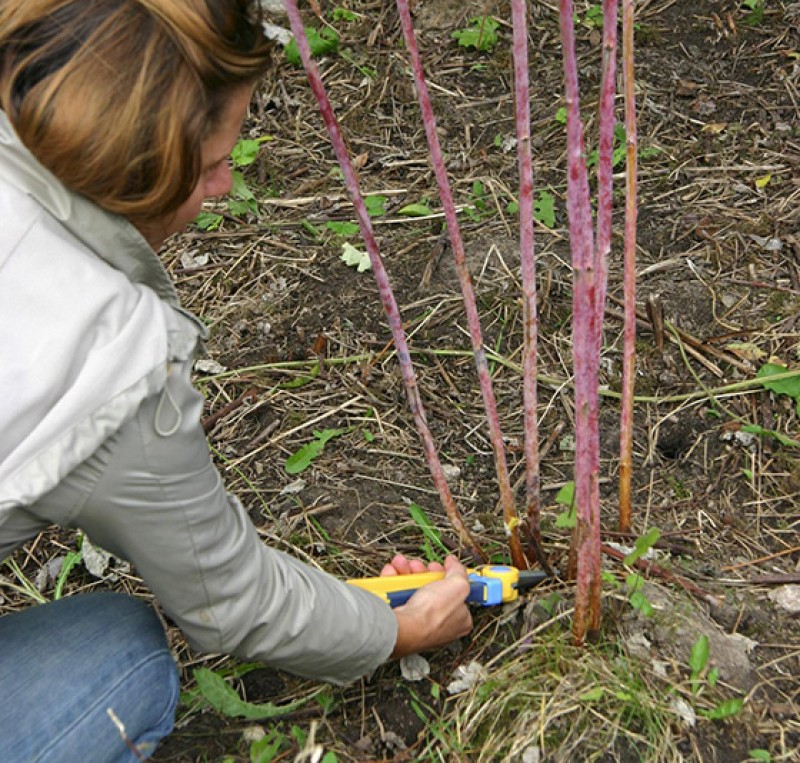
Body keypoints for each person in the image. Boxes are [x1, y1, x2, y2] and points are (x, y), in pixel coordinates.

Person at [0, 1, 473, 760]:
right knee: (121, 656)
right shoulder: (106, 366)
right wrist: (395, 627)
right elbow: (233, 601)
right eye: (213, 161)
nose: (224, 184)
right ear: (135, 164)